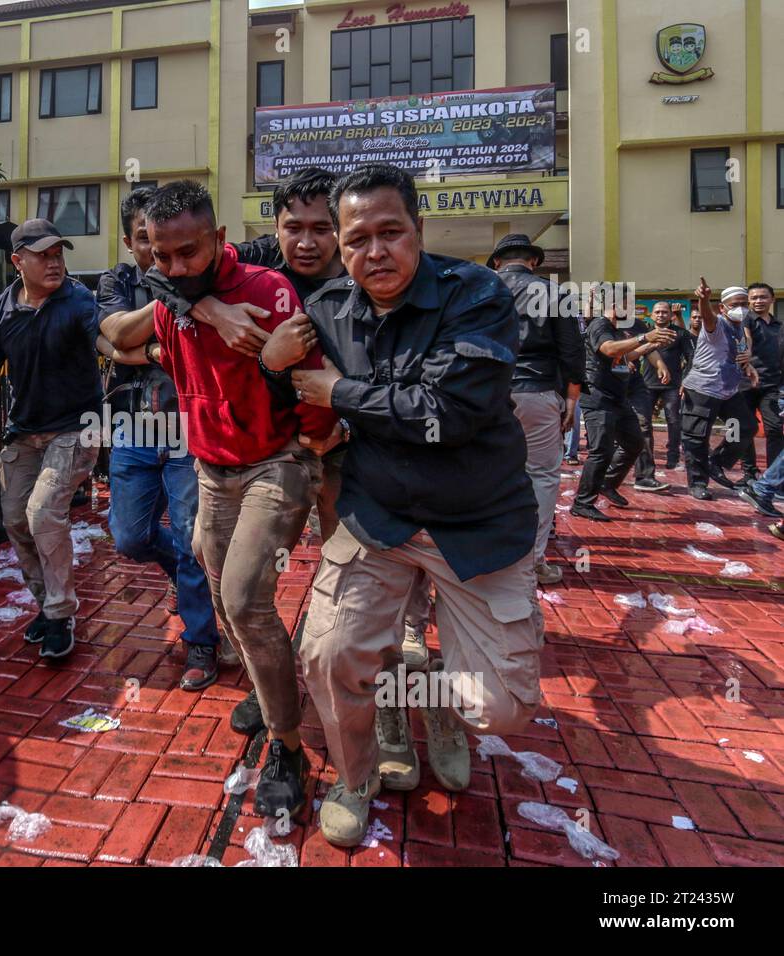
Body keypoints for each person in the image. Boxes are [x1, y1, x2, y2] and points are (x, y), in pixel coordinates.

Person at [281, 164, 544, 846]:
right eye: (357, 238)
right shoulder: (328, 310)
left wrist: (339, 394)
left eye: (391, 232)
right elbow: (285, 377)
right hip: (380, 518)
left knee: (502, 708)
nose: (375, 252)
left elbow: (450, 412)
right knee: (329, 654)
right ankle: (358, 772)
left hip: (478, 522)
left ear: (419, 231)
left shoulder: (477, 295)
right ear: (341, 247)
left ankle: (438, 706)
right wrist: (268, 358)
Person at [144, 180, 338, 819]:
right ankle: (266, 680)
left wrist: (313, 450)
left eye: (189, 253)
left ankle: (286, 746)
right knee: (215, 573)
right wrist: (192, 304)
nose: (175, 267)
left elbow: (302, 382)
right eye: (160, 254)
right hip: (209, 467)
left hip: (276, 462)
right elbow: (116, 322)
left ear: (220, 239)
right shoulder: (174, 295)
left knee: (244, 597)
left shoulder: (267, 290)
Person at [0, 219, 102, 660]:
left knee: (42, 513)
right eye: (44, 255)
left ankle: (60, 611)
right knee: (15, 519)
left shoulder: (79, 301)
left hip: (78, 426)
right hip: (24, 433)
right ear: (18, 262)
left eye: (59, 254)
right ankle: (48, 606)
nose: (55, 262)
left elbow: (106, 340)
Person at [96, 188, 224, 690]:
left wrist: (130, 342)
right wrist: (172, 308)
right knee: (129, 536)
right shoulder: (116, 281)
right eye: (150, 241)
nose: (163, 252)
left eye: (174, 244)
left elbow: (123, 341)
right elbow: (110, 335)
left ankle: (201, 639)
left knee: (195, 536)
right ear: (133, 241)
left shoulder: (202, 275)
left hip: (191, 424)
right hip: (135, 425)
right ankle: (191, 583)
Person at [487, 233, 585, 584]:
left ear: (498, 261)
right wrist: (572, 398)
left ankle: (488, 557)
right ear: (533, 261)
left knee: (487, 475)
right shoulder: (555, 293)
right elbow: (573, 350)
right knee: (540, 477)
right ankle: (530, 562)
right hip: (537, 392)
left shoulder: (479, 290)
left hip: (485, 395)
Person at [569, 299, 675, 521]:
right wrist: (645, 338)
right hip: (597, 395)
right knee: (601, 450)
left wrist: (653, 349)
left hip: (619, 396)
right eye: (623, 305)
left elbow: (627, 356)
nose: (628, 310)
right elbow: (608, 349)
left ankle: (608, 483)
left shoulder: (631, 327)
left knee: (635, 443)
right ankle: (582, 502)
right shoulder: (600, 325)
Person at [682, 281, 758, 500]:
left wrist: (749, 366)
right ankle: (697, 483)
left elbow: (741, 354)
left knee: (744, 426)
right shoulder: (716, 325)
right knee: (697, 438)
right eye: (735, 304)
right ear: (723, 308)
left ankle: (717, 462)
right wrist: (704, 300)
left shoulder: (739, 329)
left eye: (744, 303)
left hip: (729, 391)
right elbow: (707, 316)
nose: (741, 308)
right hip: (702, 390)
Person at [715, 282, 781, 482]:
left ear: (772, 300)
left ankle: (772, 476)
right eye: (754, 298)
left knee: (775, 428)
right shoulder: (743, 320)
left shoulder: (779, 326)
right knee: (741, 427)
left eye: (763, 297)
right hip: (742, 383)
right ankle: (748, 472)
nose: (758, 301)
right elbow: (745, 340)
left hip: (771, 385)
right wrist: (747, 352)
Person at [630, 301, 692, 488]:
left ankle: (672, 456)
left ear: (671, 315)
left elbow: (691, 359)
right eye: (657, 312)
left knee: (674, 421)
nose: (661, 315)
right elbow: (633, 352)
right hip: (646, 385)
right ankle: (645, 468)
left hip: (672, 385)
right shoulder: (645, 334)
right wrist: (629, 361)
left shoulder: (680, 334)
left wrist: (685, 381)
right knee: (644, 424)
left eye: (665, 312)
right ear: (651, 315)